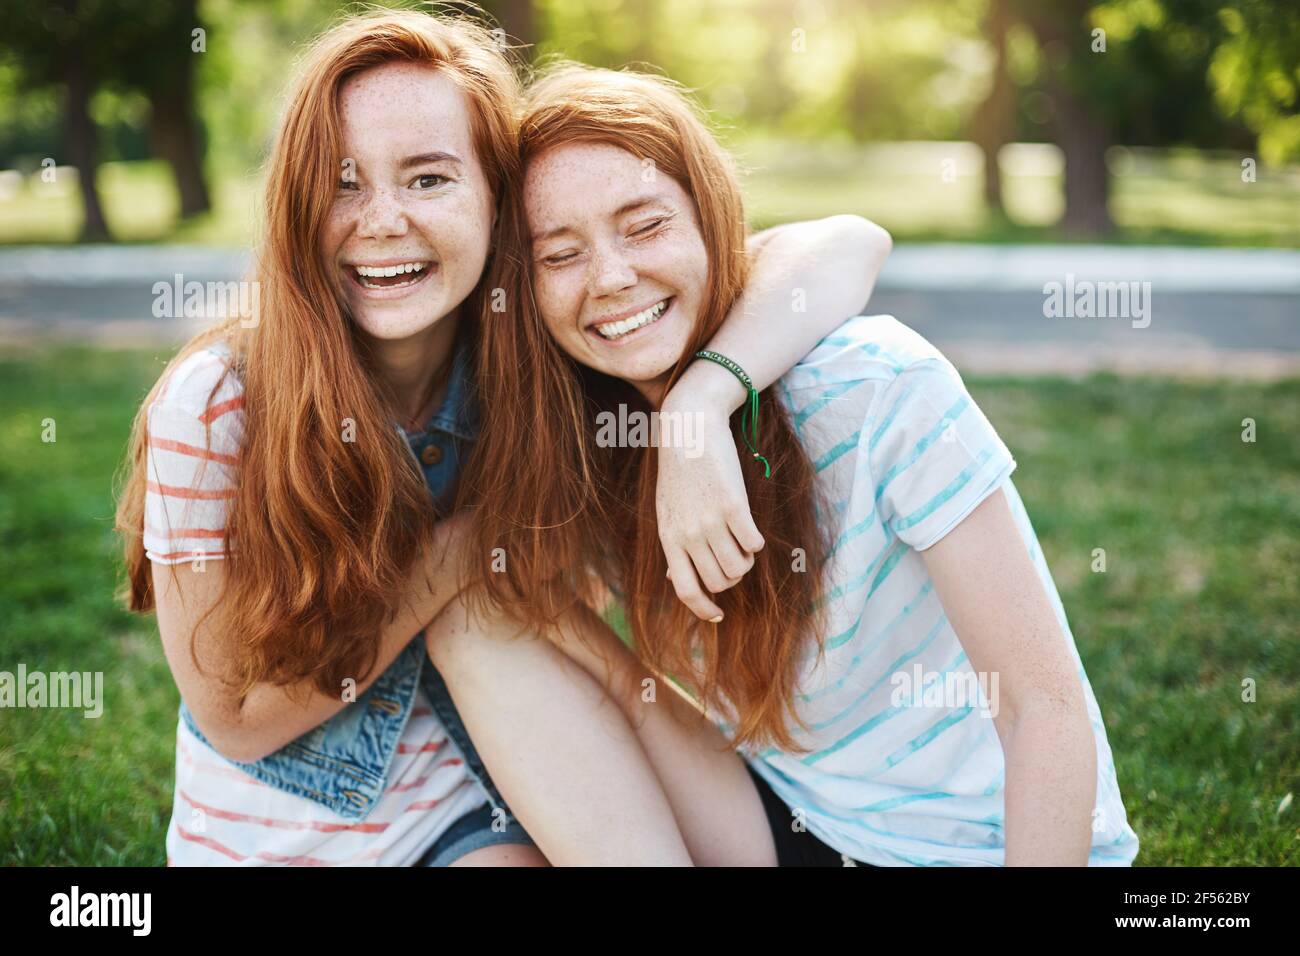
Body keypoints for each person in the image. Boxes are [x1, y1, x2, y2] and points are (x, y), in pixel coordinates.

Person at [115, 12, 893, 866]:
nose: (381, 220)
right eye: (344, 183)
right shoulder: (216, 405)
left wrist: (697, 405)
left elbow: (846, 244)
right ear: (298, 200)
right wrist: (462, 554)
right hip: (273, 825)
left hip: (476, 800)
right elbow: (234, 718)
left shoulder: (541, 357)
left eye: (428, 179)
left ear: (498, 197)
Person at [449, 63, 1141, 866]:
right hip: (788, 821)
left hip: (976, 848)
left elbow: (1044, 708)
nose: (610, 278)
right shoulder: (585, 431)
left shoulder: (877, 386)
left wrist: (699, 403)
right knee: (472, 620)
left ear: (712, 220)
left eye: (643, 227)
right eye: (558, 255)